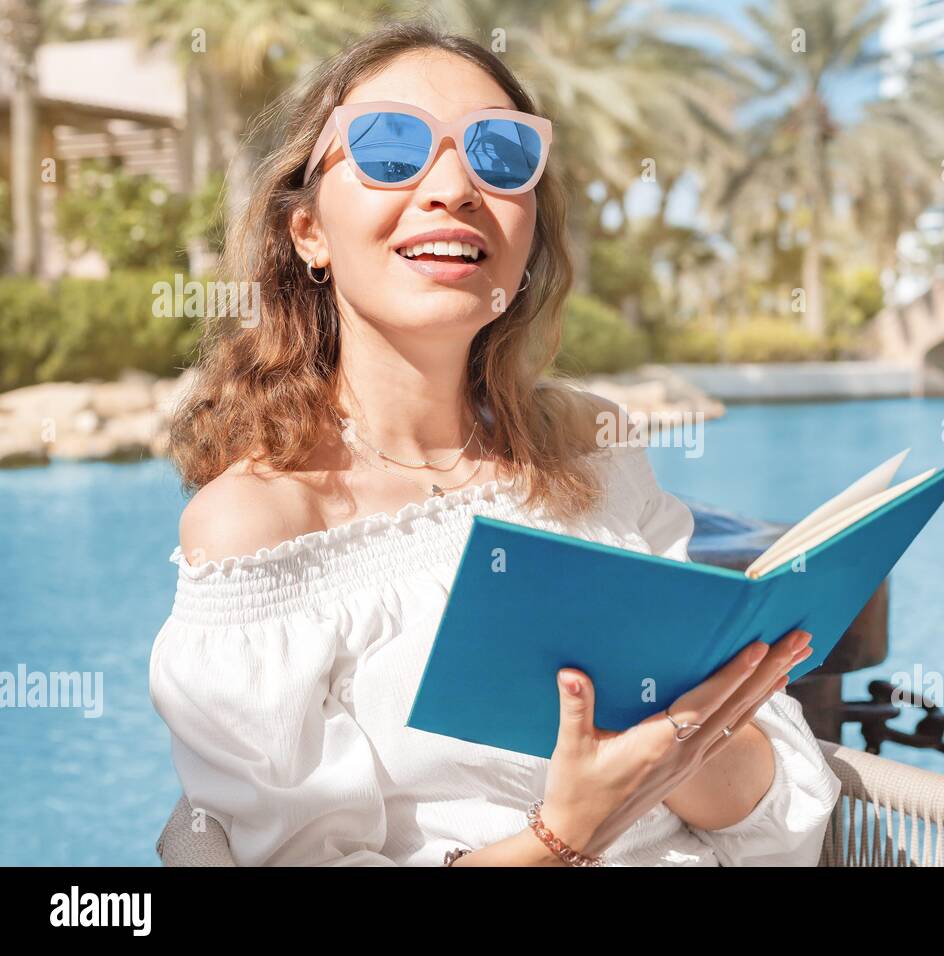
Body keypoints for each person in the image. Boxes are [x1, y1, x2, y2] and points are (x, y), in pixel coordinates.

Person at [148, 21, 840, 867]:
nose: (453, 187)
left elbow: (779, 814)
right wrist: (567, 834)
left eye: (500, 154)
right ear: (309, 233)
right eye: (391, 147)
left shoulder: (588, 446)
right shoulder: (260, 530)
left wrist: (681, 739)